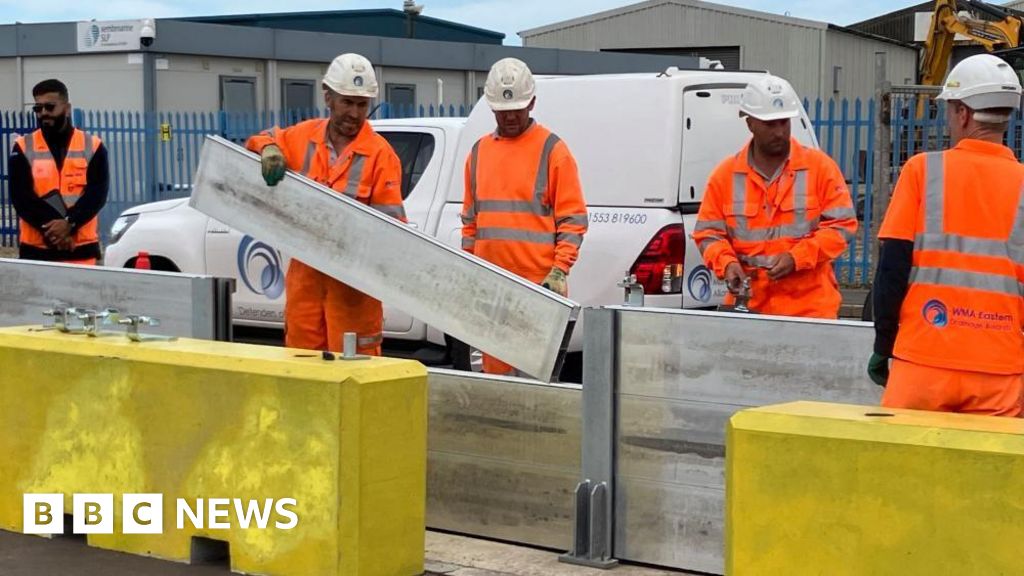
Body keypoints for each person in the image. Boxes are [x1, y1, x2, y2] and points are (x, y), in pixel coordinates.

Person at [869, 54, 1024, 417]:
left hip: (922, 361)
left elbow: (892, 269)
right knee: (990, 457)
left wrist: (883, 344)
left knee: (907, 454)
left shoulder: (922, 170)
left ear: (963, 113)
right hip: (998, 370)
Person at [246, 53, 406, 356]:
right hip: (306, 284)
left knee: (357, 375)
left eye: (362, 105)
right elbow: (262, 137)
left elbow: (391, 234)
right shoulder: (303, 137)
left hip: (354, 294)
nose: (355, 113)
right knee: (303, 369)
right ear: (328, 97)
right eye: (347, 102)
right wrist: (268, 149)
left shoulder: (381, 156)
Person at [461, 57, 588, 376]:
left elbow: (573, 219)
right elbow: (471, 223)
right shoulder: (479, 153)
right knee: (497, 380)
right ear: (492, 107)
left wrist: (559, 270)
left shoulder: (553, 151)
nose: (510, 116)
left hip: (539, 290)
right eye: (503, 110)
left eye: (517, 108)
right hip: (493, 290)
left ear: (531, 102)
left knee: (536, 383)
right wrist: (469, 269)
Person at [692, 74, 858, 318]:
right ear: (750, 124)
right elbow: (708, 234)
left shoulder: (820, 168)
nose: (779, 132)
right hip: (750, 308)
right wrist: (727, 264)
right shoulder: (725, 176)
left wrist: (797, 257)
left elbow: (843, 227)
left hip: (810, 309)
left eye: (784, 122)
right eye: (770, 124)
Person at [10, 79, 108, 264]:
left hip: (81, 251)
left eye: (50, 107)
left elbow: (97, 195)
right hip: (36, 252)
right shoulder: (22, 147)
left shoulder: (93, 146)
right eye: (38, 108)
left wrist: (69, 223)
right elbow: (21, 198)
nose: (43, 113)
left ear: (67, 108)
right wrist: (56, 232)